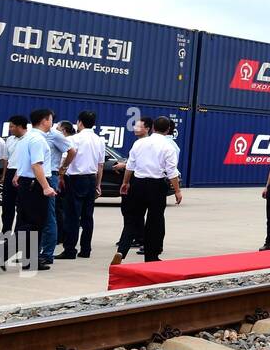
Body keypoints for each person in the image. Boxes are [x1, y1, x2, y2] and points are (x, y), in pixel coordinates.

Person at [113, 116, 181, 265]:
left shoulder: (139, 143)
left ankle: (121, 251)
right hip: (156, 186)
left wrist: (125, 183)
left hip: (137, 184)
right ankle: (151, 257)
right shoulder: (168, 146)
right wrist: (177, 191)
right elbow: (172, 171)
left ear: (153, 128)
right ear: (168, 129)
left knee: (132, 220)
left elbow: (130, 166)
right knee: (154, 222)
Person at [0, 108, 55, 271]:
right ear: (45, 120)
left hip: (26, 182)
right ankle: (3, 251)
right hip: (34, 184)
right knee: (34, 223)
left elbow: (23, 161)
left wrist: (18, 175)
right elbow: (36, 164)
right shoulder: (37, 140)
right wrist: (46, 187)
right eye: (50, 119)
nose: (51, 122)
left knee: (26, 221)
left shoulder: (26, 138)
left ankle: (29, 260)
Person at [57, 111, 104, 258]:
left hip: (75, 179)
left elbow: (68, 156)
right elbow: (100, 165)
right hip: (91, 178)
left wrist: (62, 171)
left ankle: (70, 250)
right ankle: (86, 250)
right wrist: (98, 184)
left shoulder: (74, 139)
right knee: (87, 216)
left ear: (79, 122)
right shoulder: (99, 140)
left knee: (72, 216)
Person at [112, 116, 152, 254]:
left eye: (138, 126)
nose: (135, 128)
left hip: (137, 181)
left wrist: (125, 180)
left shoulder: (145, 143)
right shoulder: (139, 142)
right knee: (135, 213)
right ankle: (137, 237)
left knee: (133, 212)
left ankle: (136, 239)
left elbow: (135, 165)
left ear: (147, 128)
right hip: (137, 181)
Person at [42, 120, 75, 265]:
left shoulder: (55, 135)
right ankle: (33, 251)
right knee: (36, 215)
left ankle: (47, 253)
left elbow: (72, 151)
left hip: (51, 176)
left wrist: (63, 168)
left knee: (50, 215)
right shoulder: (35, 135)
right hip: (36, 176)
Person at [0, 116, 28, 236]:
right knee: (7, 205)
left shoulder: (29, 139)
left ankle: (18, 234)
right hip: (10, 172)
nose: (10, 129)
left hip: (23, 173)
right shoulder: (10, 139)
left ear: (20, 126)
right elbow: (6, 159)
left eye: (12, 126)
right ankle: (5, 232)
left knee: (21, 206)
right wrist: (4, 175)